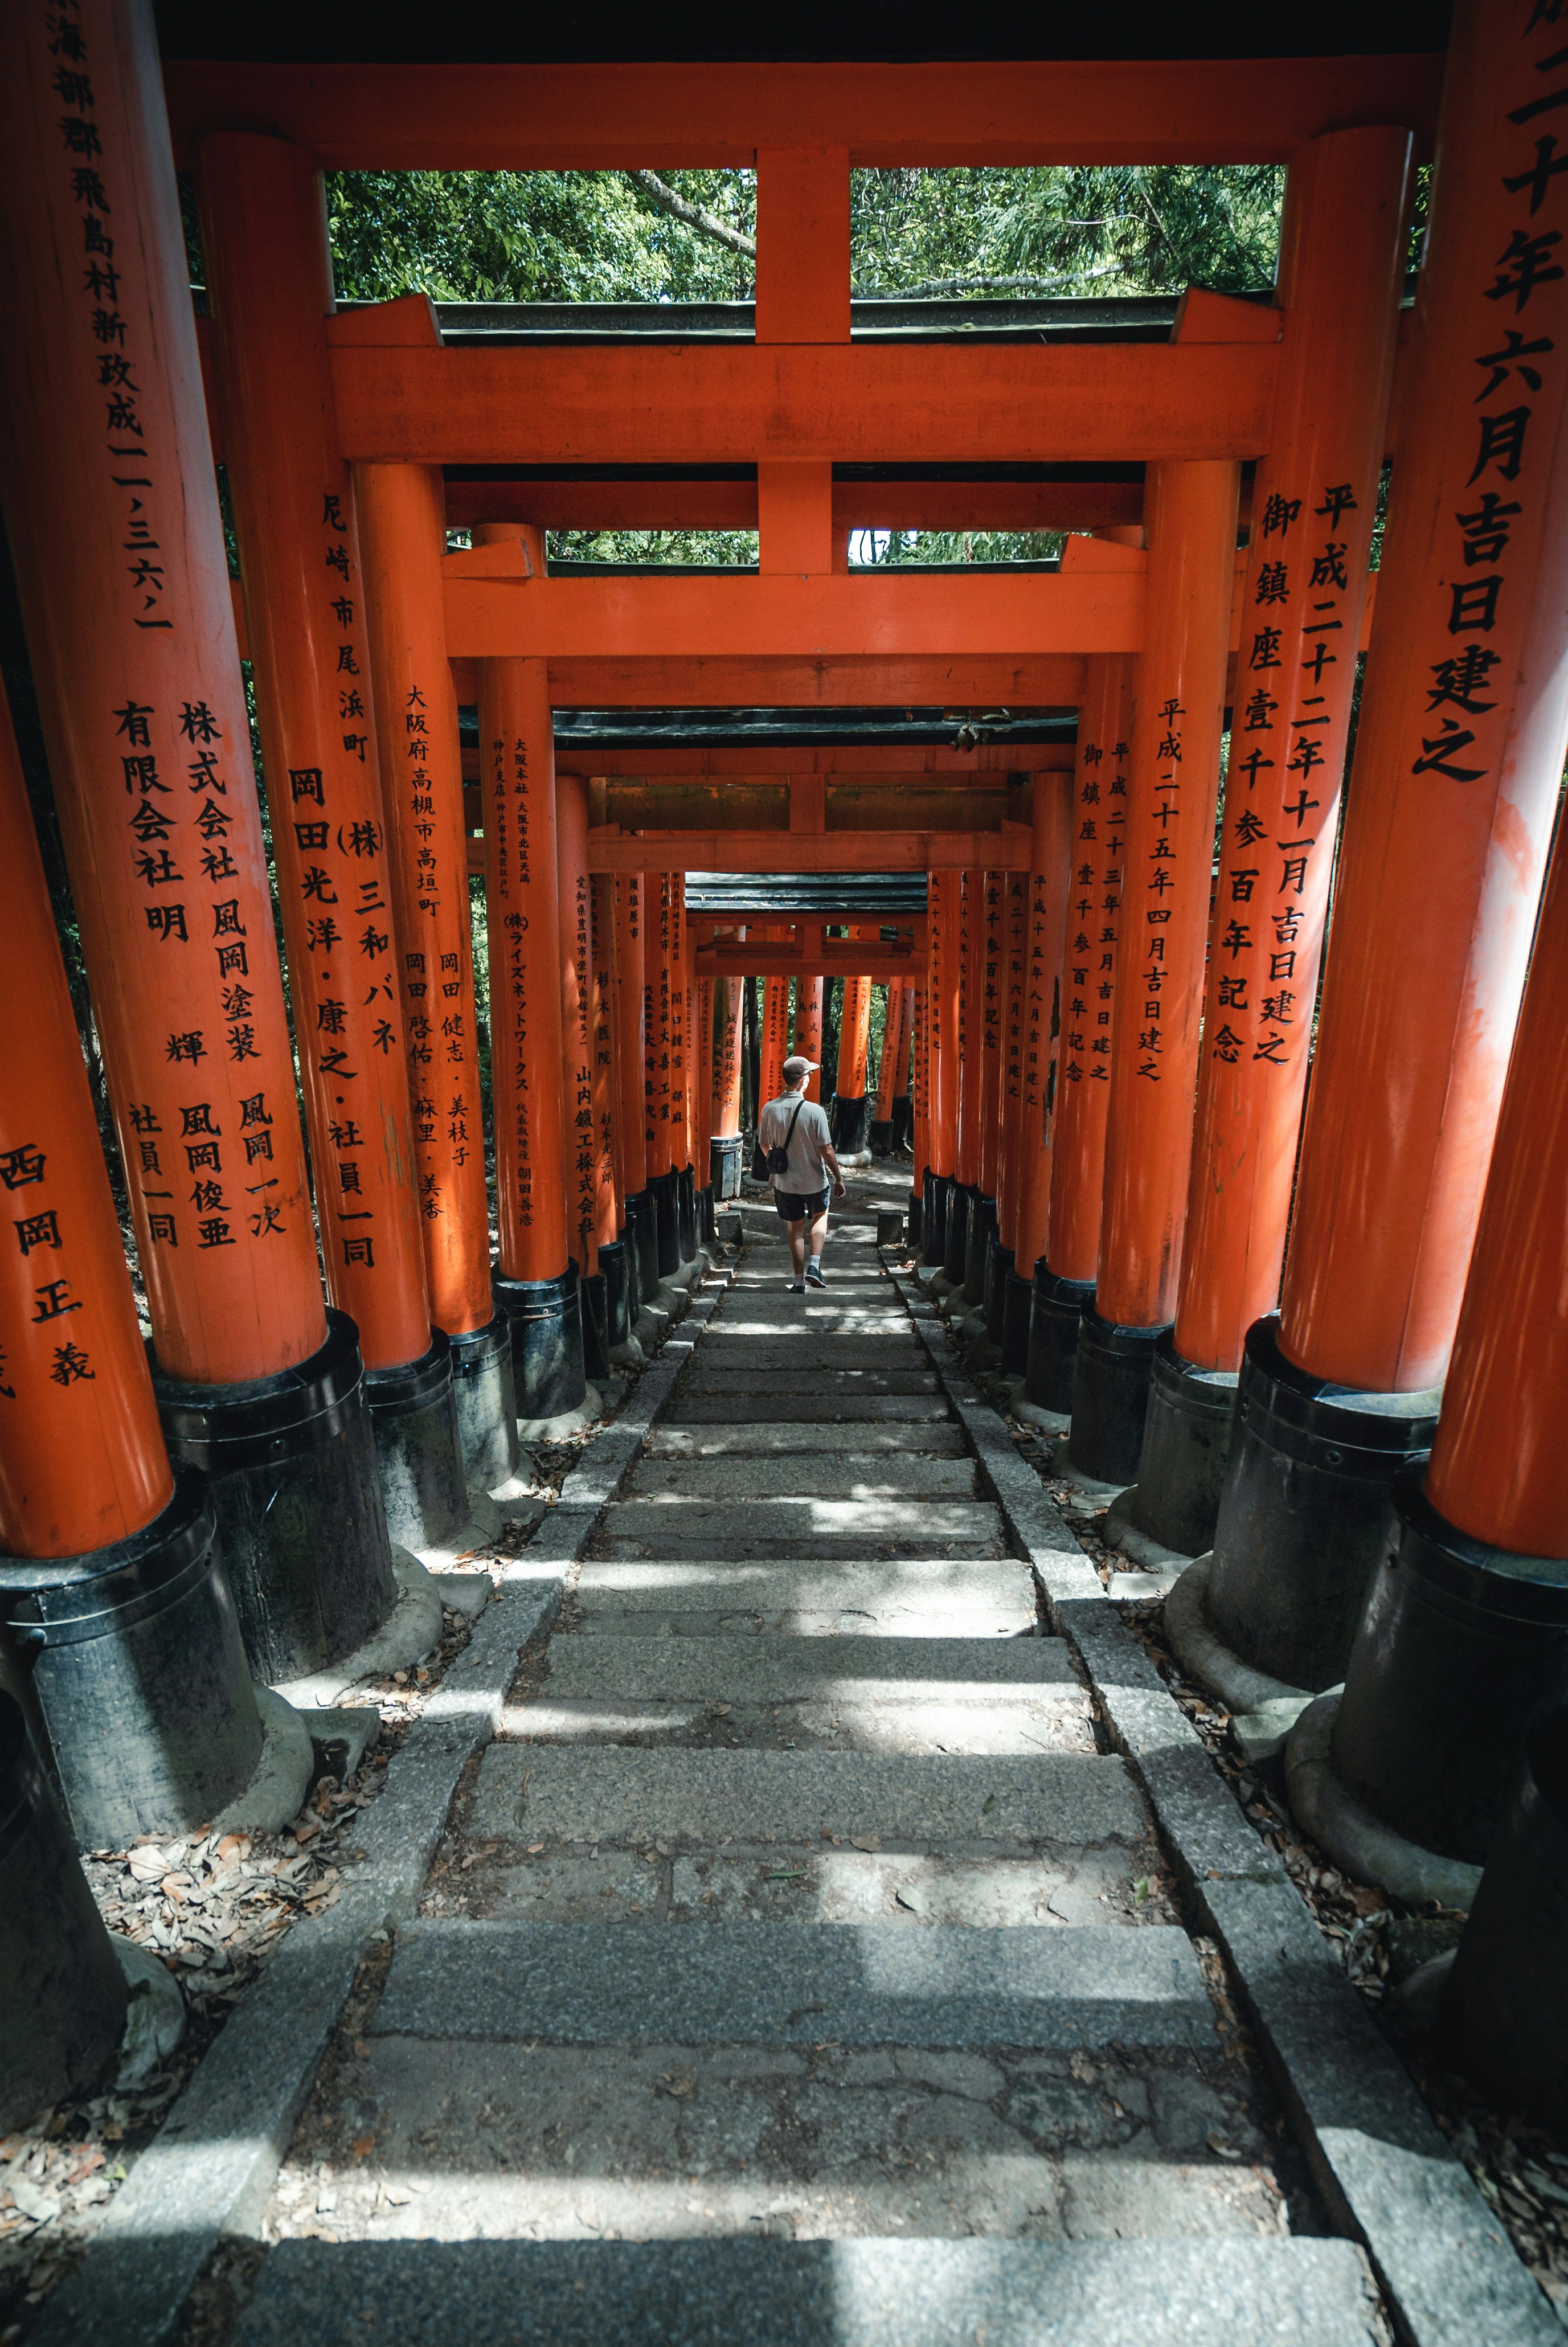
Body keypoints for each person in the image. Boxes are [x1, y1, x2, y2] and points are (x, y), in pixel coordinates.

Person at [758, 1054, 848, 1290]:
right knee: (819, 1216)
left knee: (795, 1228)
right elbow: (827, 1150)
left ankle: (798, 1282)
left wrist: (775, 1161)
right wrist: (838, 1178)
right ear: (801, 1081)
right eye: (808, 1074)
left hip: (785, 1182)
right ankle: (815, 1266)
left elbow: (764, 1144)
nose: (809, 1078)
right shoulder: (814, 1111)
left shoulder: (769, 1109)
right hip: (814, 1180)